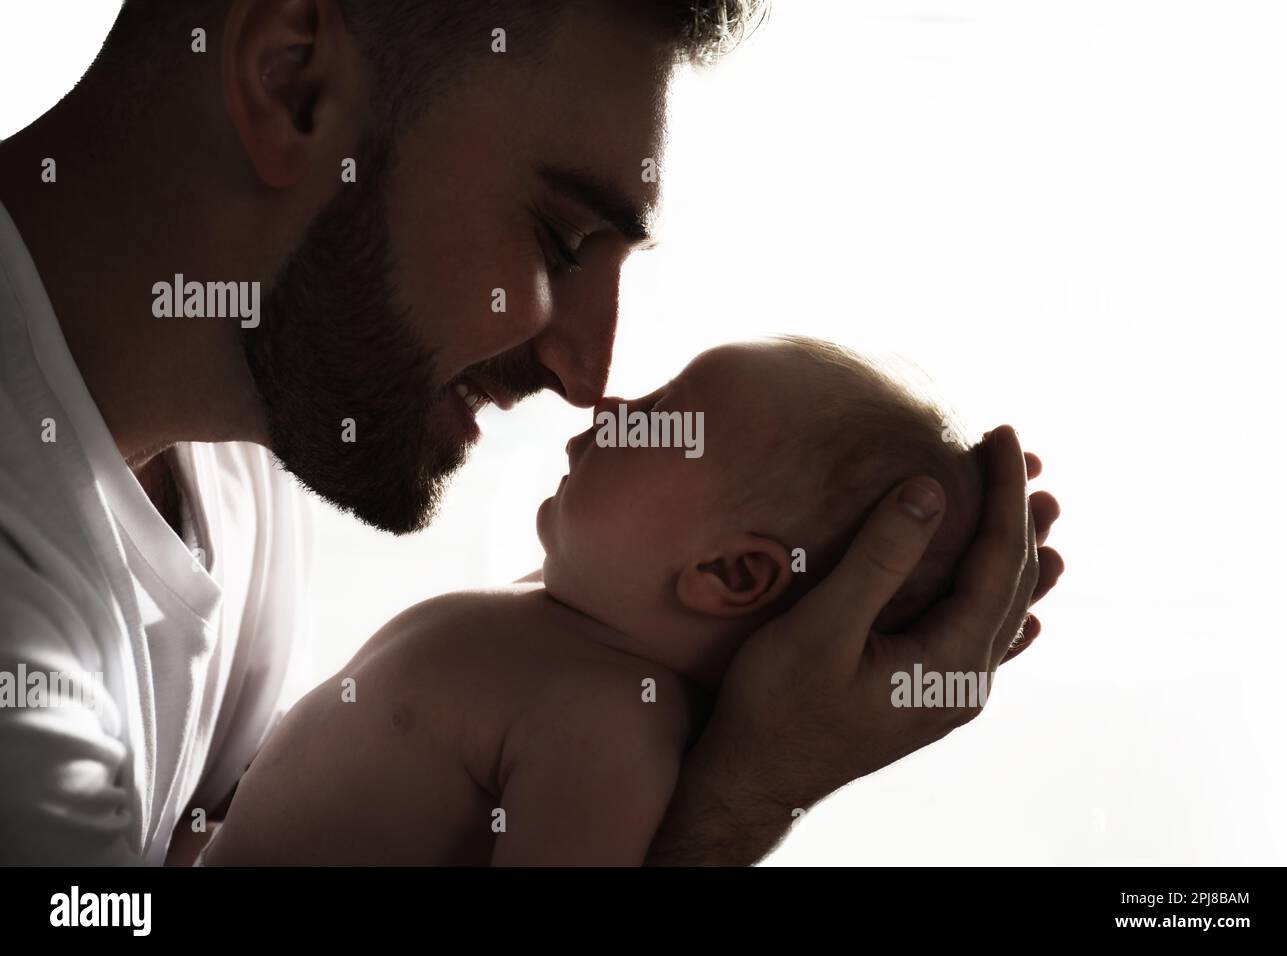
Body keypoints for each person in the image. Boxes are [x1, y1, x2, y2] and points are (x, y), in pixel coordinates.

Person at [0, 0, 1062, 866]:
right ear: (292, 84)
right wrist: (738, 801)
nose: (587, 377)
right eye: (557, 235)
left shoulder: (234, 447)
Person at [203, 337, 989, 865]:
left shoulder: (610, 727)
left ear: (730, 576)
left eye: (660, 417)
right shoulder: (561, 626)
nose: (611, 408)